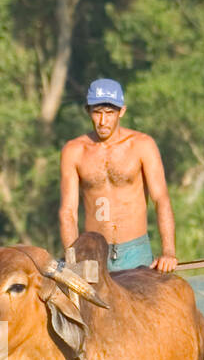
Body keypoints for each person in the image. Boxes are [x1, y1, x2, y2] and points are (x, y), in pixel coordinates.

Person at [58, 78, 177, 272]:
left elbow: (161, 199)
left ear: (122, 111)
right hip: (93, 252)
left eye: (109, 113)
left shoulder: (142, 145)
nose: (103, 121)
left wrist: (169, 252)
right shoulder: (74, 151)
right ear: (88, 111)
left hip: (136, 251)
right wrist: (73, 259)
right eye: (97, 113)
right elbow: (67, 212)